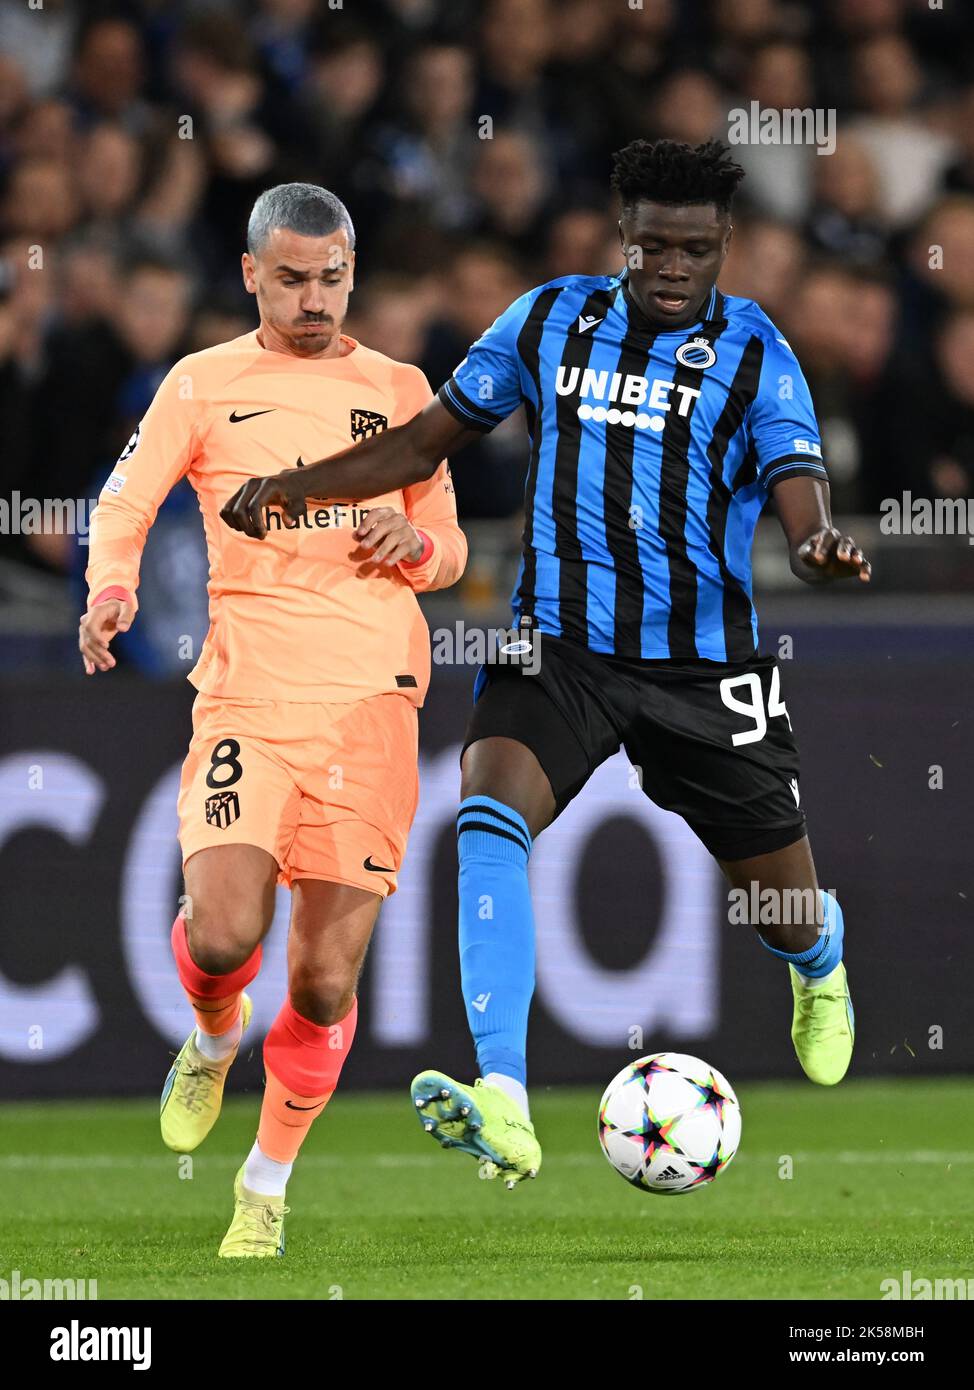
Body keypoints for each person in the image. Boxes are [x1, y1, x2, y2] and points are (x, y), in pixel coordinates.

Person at [221, 141, 870, 1191]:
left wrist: (812, 545)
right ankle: (506, 1101)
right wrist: (298, 484)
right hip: (557, 644)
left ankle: (818, 957)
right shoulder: (547, 319)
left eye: (693, 249)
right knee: (485, 809)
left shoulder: (755, 354)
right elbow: (422, 440)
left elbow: (796, 479)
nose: (669, 265)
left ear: (723, 249)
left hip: (701, 670)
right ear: (620, 236)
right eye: (651, 242)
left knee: (781, 907)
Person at [79, 182, 466, 1251]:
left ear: (352, 271)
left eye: (331, 278)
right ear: (251, 272)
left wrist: (419, 550)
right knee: (221, 933)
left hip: (372, 703)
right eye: (291, 278)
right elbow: (125, 500)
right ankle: (210, 1037)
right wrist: (109, 586)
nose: (313, 299)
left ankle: (264, 1185)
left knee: (325, 977)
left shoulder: (399, 387)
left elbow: (451, 540)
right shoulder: (202, 383)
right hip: (248, 695)